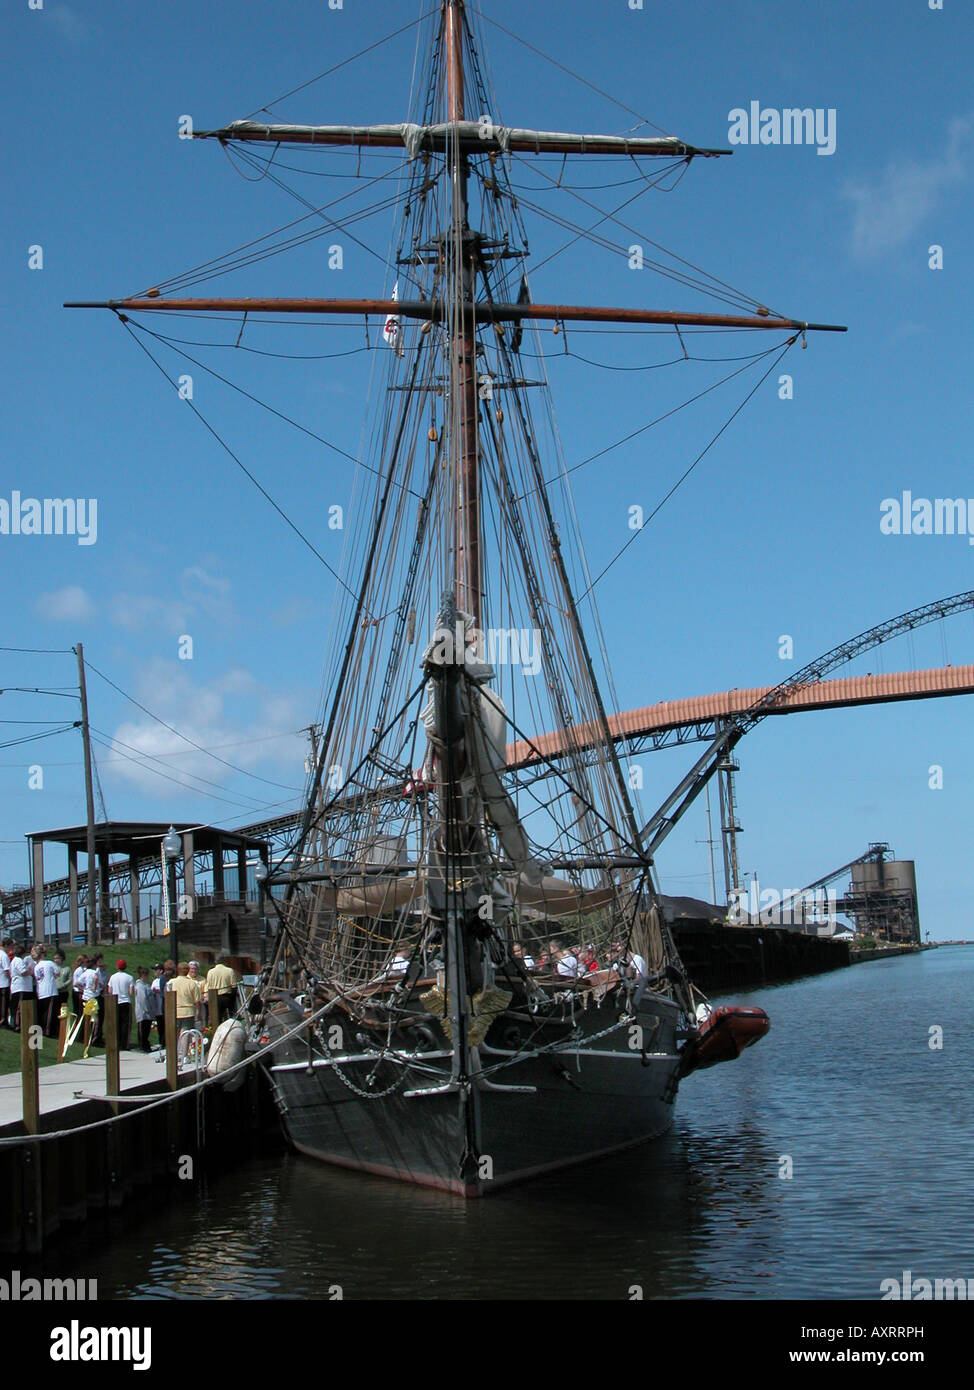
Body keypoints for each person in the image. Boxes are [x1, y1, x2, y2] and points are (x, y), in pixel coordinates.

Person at [168, 962, 202, 1039]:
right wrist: (199, 1013)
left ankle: (175, 1050)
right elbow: (197, 1001)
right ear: (188, 971)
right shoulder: (192, 983)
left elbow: (167, 997)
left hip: (175, 1011)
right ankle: (184, 1050)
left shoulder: (171, 982)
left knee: (175, 1035)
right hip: (188, 1012)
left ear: (178, 970)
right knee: (185, 1034)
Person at [33, 946, 60, 1037]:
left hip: (41, 991)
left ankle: (43, 1029)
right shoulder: (49, 963)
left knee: (43, 1012)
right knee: (50, 1013)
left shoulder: (36, 967)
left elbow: (37, 978)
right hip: (50, 991)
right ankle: (48, 1031)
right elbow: (57, 973)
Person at [108, 959, 135, 1049]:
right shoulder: (129, 977)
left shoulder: (113, 977)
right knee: (126, 1024)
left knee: (117, 1023)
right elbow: (131, 992)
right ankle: (125, 1044)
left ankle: (117, 1042)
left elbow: (110, 991)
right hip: (125, 1001)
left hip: (116, 1001)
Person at [203, 953, 238, 1023]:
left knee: (217, 1019)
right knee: (230, 1019)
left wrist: (206, 996)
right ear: (224, 961)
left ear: (215, 962)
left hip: (215, 998)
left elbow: (209, 985)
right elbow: (234, 987)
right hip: (227, 997)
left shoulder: (210, 972)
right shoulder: (230, 971)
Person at [9, 944, 36, 1030]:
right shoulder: (18, 961)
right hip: (20, 987)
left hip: (22, 987)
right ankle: (17, 1025)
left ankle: (19, 1024)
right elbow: (23, 972)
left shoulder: (15, 961)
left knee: (20, 1007)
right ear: (23, 954)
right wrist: (30, 971)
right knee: (19, 1007)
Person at [81, 954, 104, 1046]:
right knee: (96, 1020)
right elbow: (98, 981)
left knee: (87, 1018)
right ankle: (94, 1039)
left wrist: (84, 989)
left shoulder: (85, 973)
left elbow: (76, 983)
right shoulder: (95, 972)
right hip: (94, 998)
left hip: (86, 997)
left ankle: (85, 1037)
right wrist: (96, 987)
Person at [134, 968, 154, 1053]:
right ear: (143, 975)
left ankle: (145, 1044)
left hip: (148, 1013)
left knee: (147, 1030)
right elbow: (142, 999)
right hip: (143, 1013)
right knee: (143, 1030)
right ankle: (142, 1045)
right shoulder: (140, 986)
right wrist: (147, 1009)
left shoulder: (145, 985)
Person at [151, 963, 167, 1047]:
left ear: (161, 971)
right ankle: (161, 1042)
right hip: (157, 1007)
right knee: (160, 1026)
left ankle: (165, 1042)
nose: (154, 971)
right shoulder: (155, 981)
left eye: (156, 970)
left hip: (163, 1007)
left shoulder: (164, 980)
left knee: (164, 1026)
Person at [71, 954, 88, 1022]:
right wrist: (84, 990)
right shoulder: (79, 970)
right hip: (78, 992)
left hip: (78, 991)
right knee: (79, 1011)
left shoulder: (82, 969)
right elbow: (76, 984)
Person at [0, 938, 12, 1029]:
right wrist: (10, 978)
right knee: (4, 1003)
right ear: (7, 946)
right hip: (3, 982)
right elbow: (6, 970)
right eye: (11, 946)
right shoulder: (4, 955)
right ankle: (3, 1021)